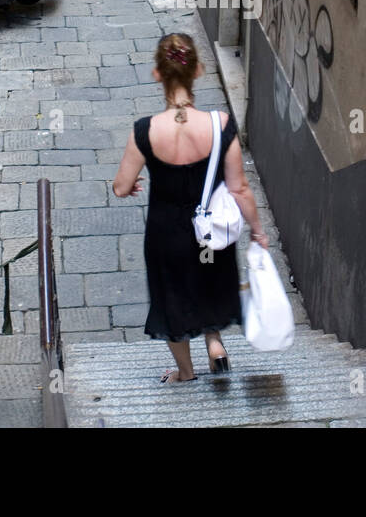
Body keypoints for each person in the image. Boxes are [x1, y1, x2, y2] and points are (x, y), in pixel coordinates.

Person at [112, 33, 268, 383]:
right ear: (198, 70)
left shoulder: (144, 131)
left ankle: (185, 372)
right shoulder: (221, 125)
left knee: (173, 296)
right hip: (210, 232)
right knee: (210, 283)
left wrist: (132, 182)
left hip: (166, 233)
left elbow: (121, 186)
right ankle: (216, 346)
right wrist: (257, 231)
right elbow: (239, 188)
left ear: (157, 74)